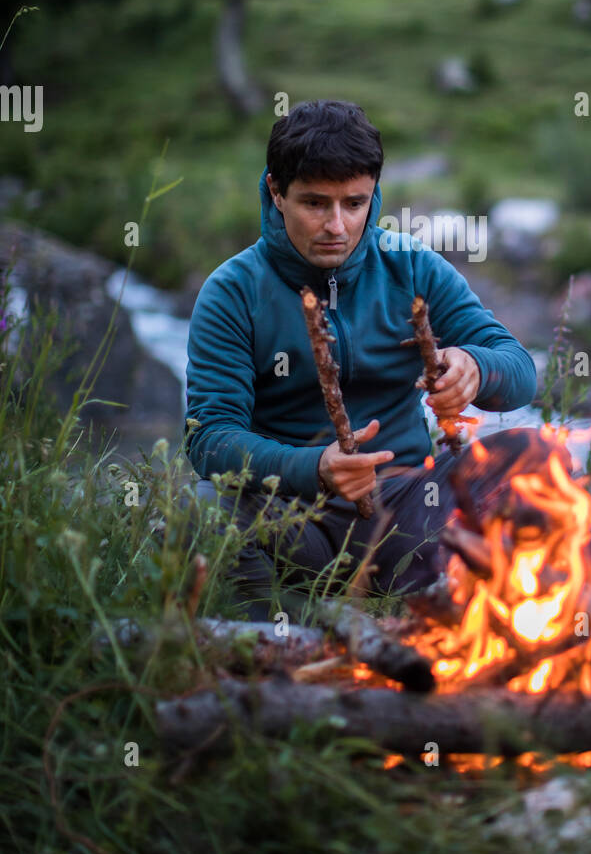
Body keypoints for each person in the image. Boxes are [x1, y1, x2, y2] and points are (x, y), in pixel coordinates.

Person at [183, 98, 563, 618]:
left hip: (410, 515)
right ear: (276, 191)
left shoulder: (413, 267)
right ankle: (274, 642)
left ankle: (468, 615)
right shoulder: (232, 291)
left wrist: (476, 368)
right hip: (295, 520)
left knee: (538, 457)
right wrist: (313, 467)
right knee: (206, 508)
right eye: (315, 204)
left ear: (374, 196)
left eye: (354, 203)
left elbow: (518, 372)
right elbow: (208, 438)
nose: (336, 225)